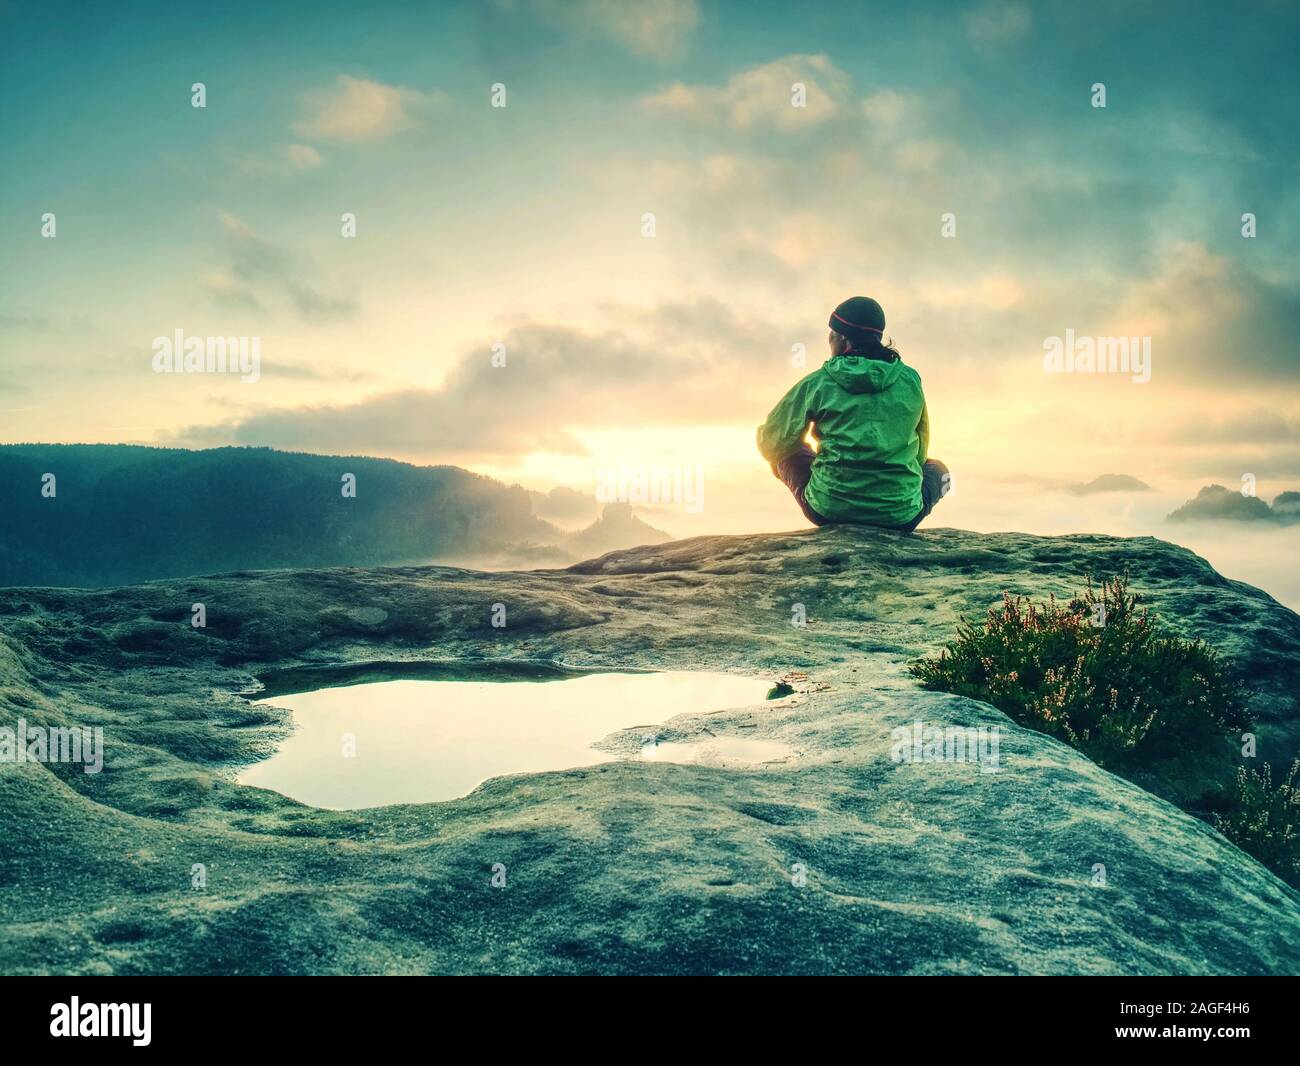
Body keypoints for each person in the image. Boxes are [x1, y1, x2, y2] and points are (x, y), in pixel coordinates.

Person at [757, 296, 949, 532]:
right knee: (939, 471)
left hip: (828, 511)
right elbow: (921, 449)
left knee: (787, 452)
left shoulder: (819, 382)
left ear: (844, 340)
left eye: (832, 334)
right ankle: (893, 502)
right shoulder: (910, 379)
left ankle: (835, 495)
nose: (829, 340)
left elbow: (771, 441)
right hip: (900, 515)